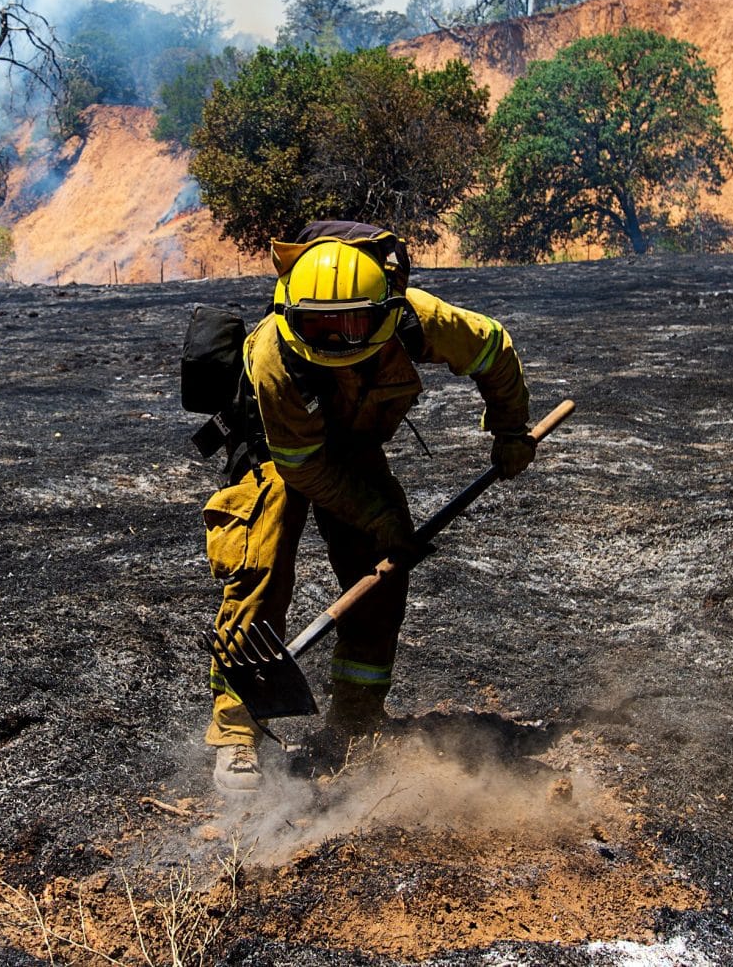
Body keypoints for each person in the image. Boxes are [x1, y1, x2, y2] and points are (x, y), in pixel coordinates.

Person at [204, 223, 535, 793]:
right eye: (319, 326)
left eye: (352, 324)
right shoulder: (273, 354)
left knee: (381, 576)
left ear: (380, 311)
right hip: (278, 450)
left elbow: (493, 349)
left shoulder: (416, 318)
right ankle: (237, 735)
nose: (334, 338)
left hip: (352, 449)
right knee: (259, 574)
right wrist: (379, 515)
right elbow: (303, 466)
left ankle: (354, 723)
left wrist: (510, 430)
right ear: (294, 315)